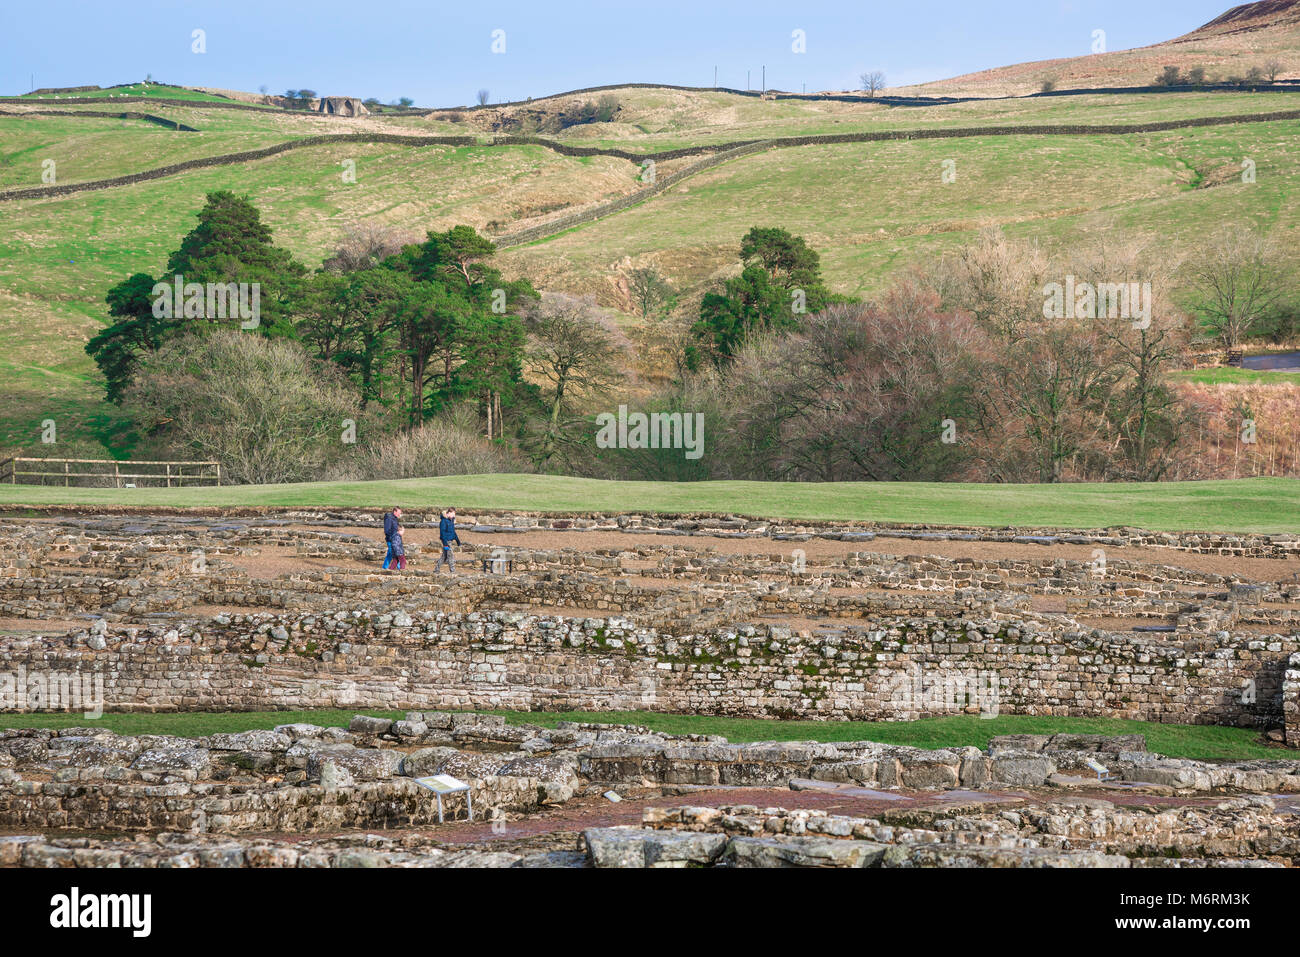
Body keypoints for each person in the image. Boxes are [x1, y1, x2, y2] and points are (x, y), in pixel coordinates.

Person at [436, 507, 461, 573]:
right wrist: (445, 544)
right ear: (449, 513)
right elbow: (442, 533)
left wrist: (458, 541)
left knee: (444, 556)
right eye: (453, 514)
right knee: (451, 556)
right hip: (446, 542)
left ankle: (436, 569)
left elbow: (453, 532)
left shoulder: (451, 520)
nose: (454, 516)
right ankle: (453, 571)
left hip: (450, 541)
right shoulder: (443, 521)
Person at [381, 506, 402, 571]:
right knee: (395, 553)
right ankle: (399, 568)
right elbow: (387, 530)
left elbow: (394, 528)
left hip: (394, 539)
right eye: (399, 513)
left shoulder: (394, 518)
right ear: (394, 512)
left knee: (391, 554)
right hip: (391, 539)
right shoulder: (389, 518)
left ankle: (385, 567)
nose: (400, 514)